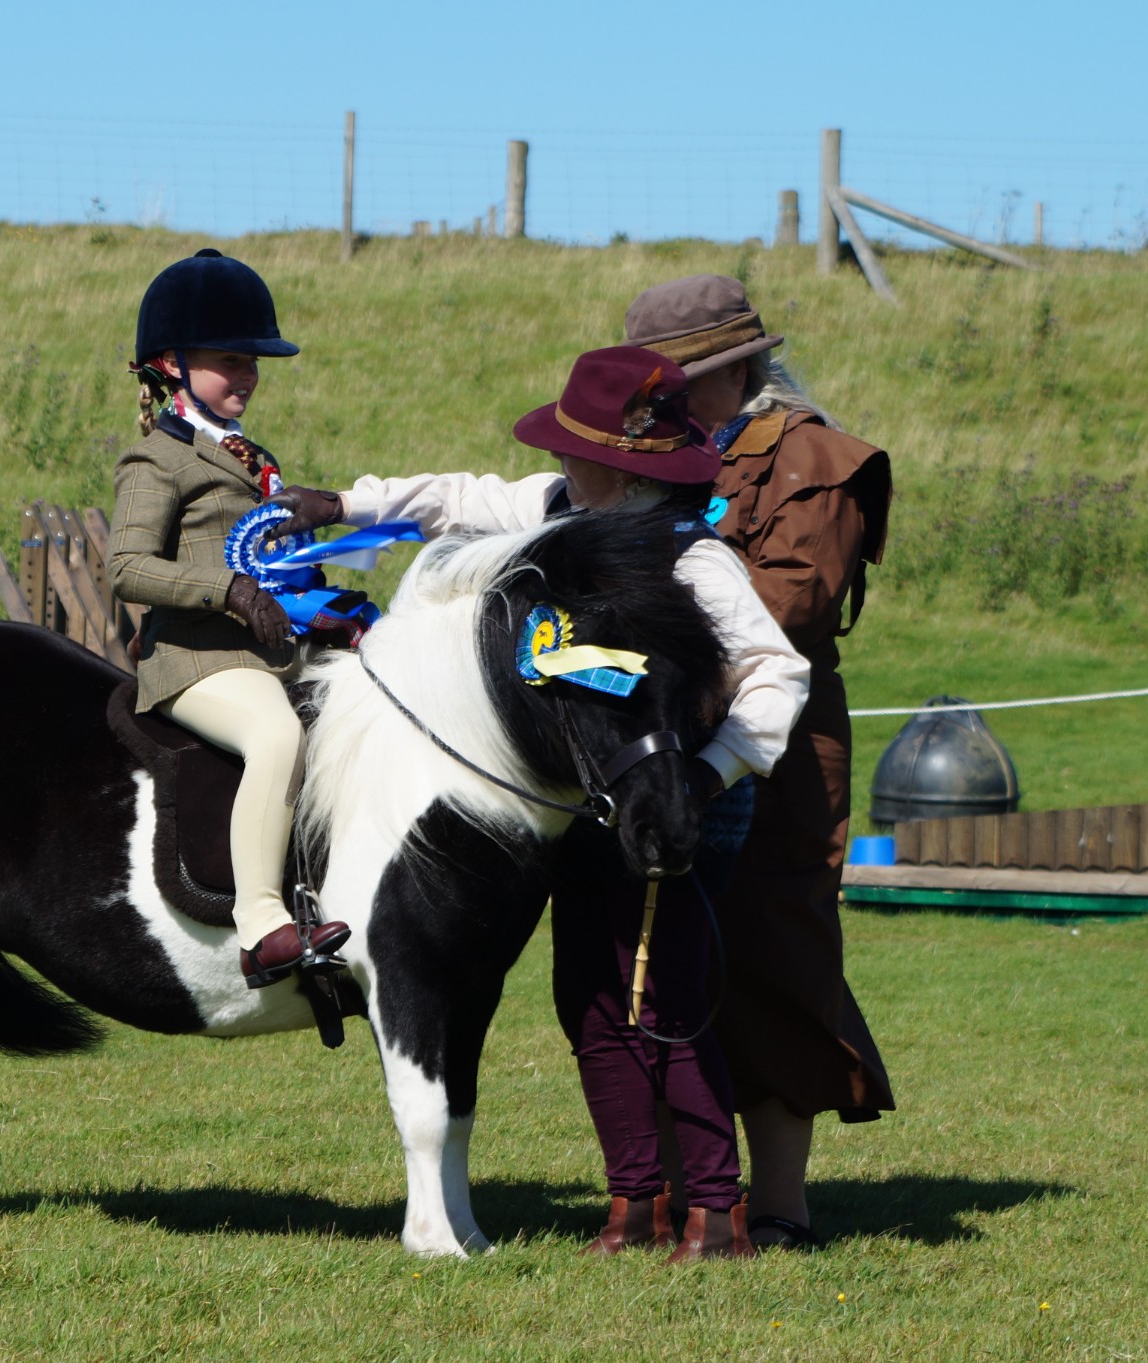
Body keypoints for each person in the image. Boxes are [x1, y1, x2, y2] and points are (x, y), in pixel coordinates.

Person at [270, 346, 809, 1260]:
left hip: (672, 808)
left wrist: (707, 775)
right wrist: (346, 506)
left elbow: (775, 673)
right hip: (586, 810)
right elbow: (456, 497)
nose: (558, 462)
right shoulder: (559, 510)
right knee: (589, 1002)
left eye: (574, 450)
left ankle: (717, 1212)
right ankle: (631, 1203)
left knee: (665, 1000)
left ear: (620, 463)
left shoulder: (691, 556)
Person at [623, 274, 895, 1249]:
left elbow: (791, 605)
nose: (660, 397)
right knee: (658, 959)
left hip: (779, 736)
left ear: (736, 364)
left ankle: (779, 1207)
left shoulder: (816, 458)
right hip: (661, 719)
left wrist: (645, 612)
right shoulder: (655, 451)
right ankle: (667, 1193)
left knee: (774, 954)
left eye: (679, 378)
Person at [105, 249, 350, 987]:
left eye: (254, 361)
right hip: (195, 662)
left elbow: (275, 563)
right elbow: (125, 566)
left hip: (271, 653)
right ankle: (262, 923)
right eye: (228, 361)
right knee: (275, 734)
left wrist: (323, 611)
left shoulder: (252, 459)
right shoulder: (158, 460)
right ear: (173, 364)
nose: (245, 374)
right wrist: (231, 590)